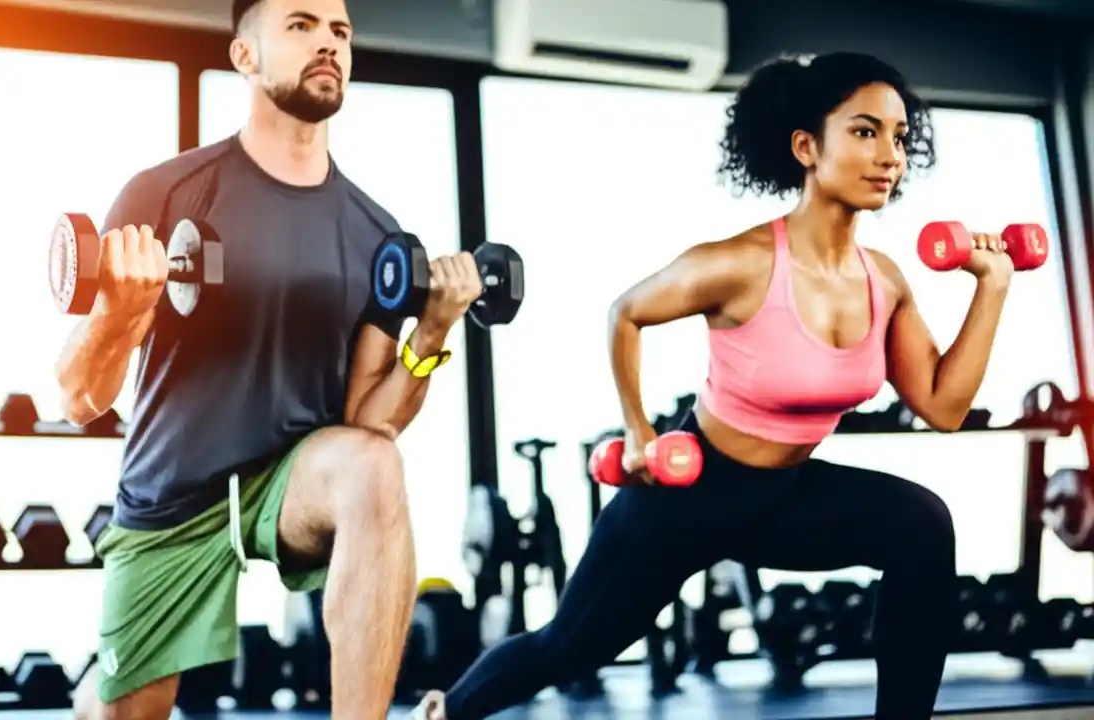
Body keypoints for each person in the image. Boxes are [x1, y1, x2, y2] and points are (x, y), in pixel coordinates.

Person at [412, 51, 1016, 720]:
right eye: (866, 131)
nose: (889, 155)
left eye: (899, 138)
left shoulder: (886, 280)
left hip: (784, 498)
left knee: (921, 524)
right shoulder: (741, 262)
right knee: (567, 648)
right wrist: (639, 431)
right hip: (686, 497)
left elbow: (943, 406)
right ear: (806, 147)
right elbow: (627, 312)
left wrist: (993, 288)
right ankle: (444, 714)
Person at [56, 0, 482, 718]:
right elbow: (80, 397)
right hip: (175, 492)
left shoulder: (375, 233)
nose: (328, 43)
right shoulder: (163, 193)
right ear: (244, 57)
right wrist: (120, 311)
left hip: (290, 485)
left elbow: (365, 425)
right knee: (125, 711)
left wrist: (431, 336)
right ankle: (100, 687)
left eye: (340, 31)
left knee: (373, 466)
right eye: (301, 25)